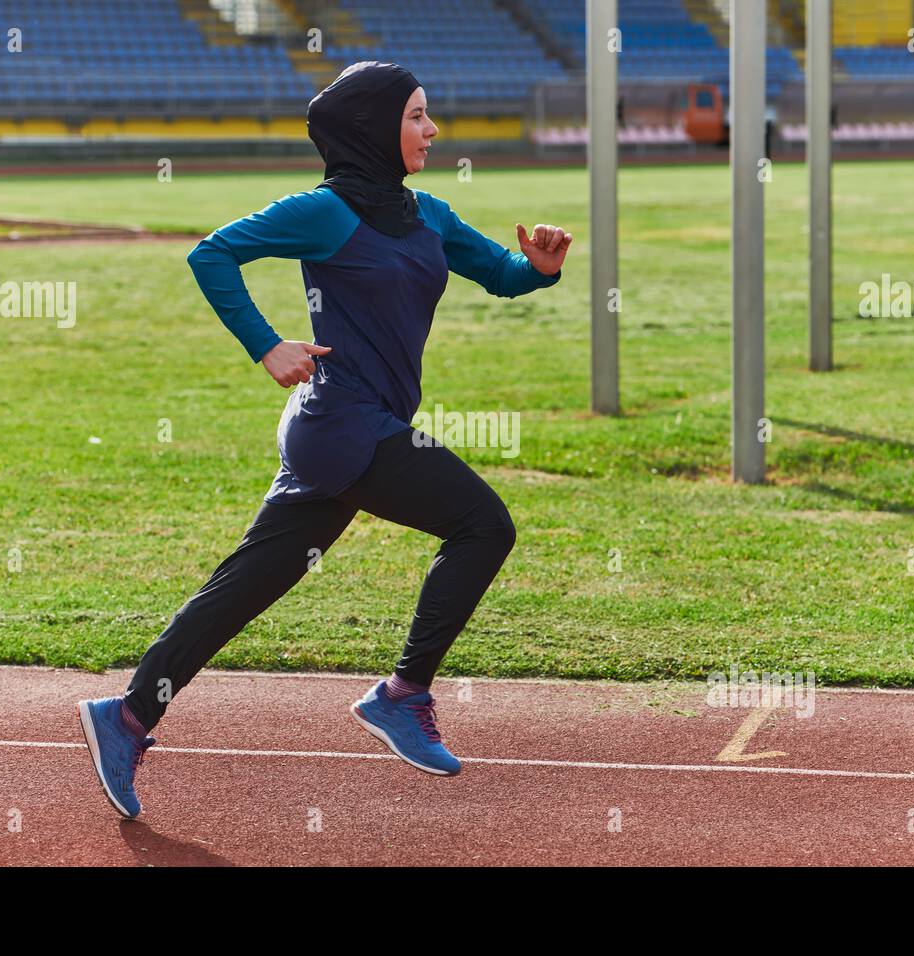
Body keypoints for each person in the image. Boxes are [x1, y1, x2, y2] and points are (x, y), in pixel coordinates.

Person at [77, 61, 573, 818]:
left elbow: (500, 274)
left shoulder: (429, 214)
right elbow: (211, 253)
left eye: (428, 115)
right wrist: (267, 344)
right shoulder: (325, 212)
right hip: (342, 425)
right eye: (415, 116)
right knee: (483, 524)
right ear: (374, 128)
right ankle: (402, 695)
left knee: (244, 587)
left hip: (349, 431)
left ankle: (130, 715)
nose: (432, 130)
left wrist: (537, 269)